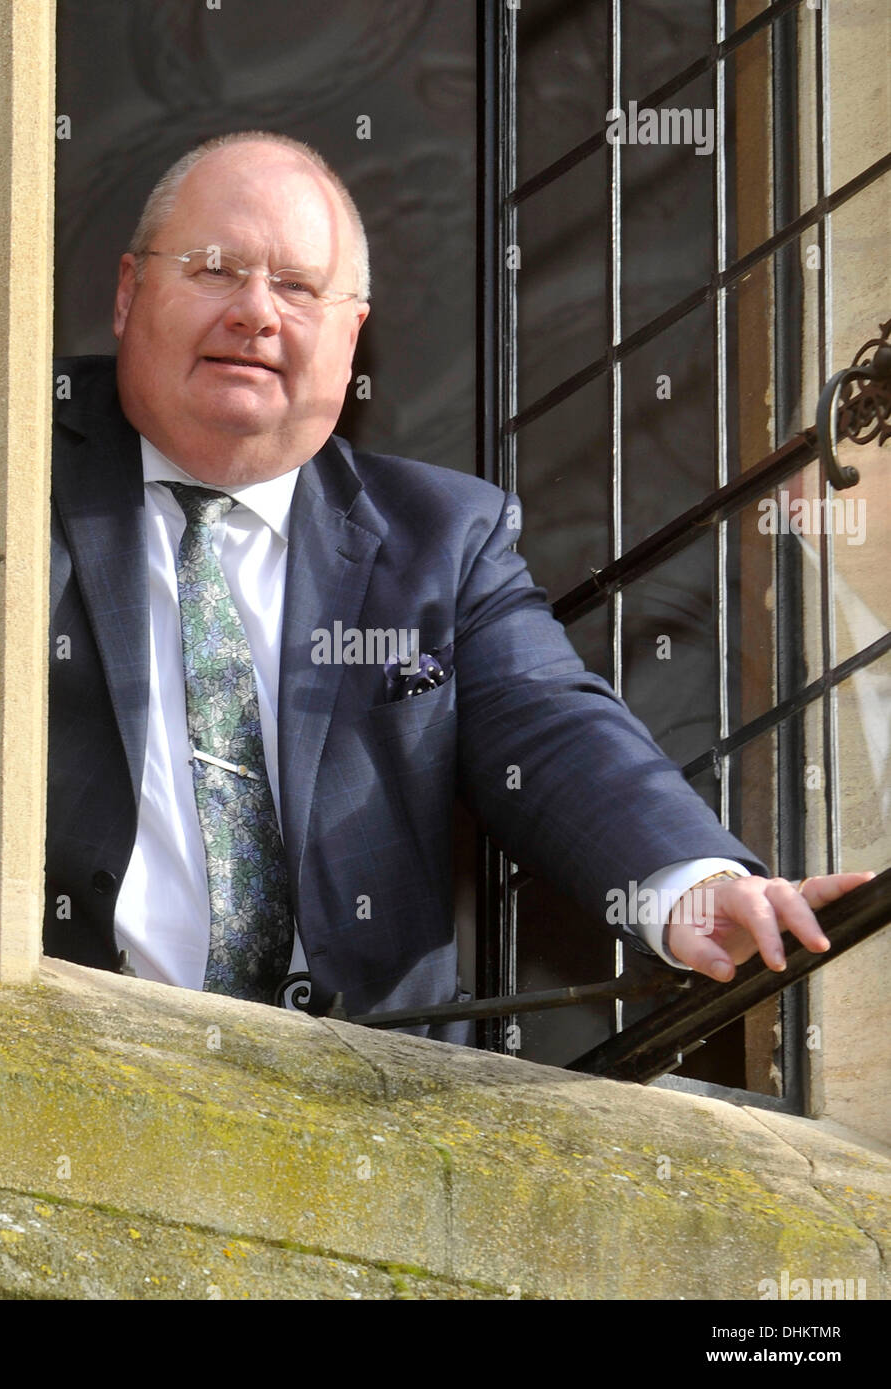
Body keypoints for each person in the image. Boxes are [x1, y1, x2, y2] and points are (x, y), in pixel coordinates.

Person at [43, 130, 870, 1044]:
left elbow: (552, 728)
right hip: (50, 1051)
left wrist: (691, 885)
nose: (255, 313)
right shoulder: (11, 456)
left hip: (360, 1109)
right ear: (128, 295)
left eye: (298, 287)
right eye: (214, 269)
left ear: (351, 332)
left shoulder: (440, 539)